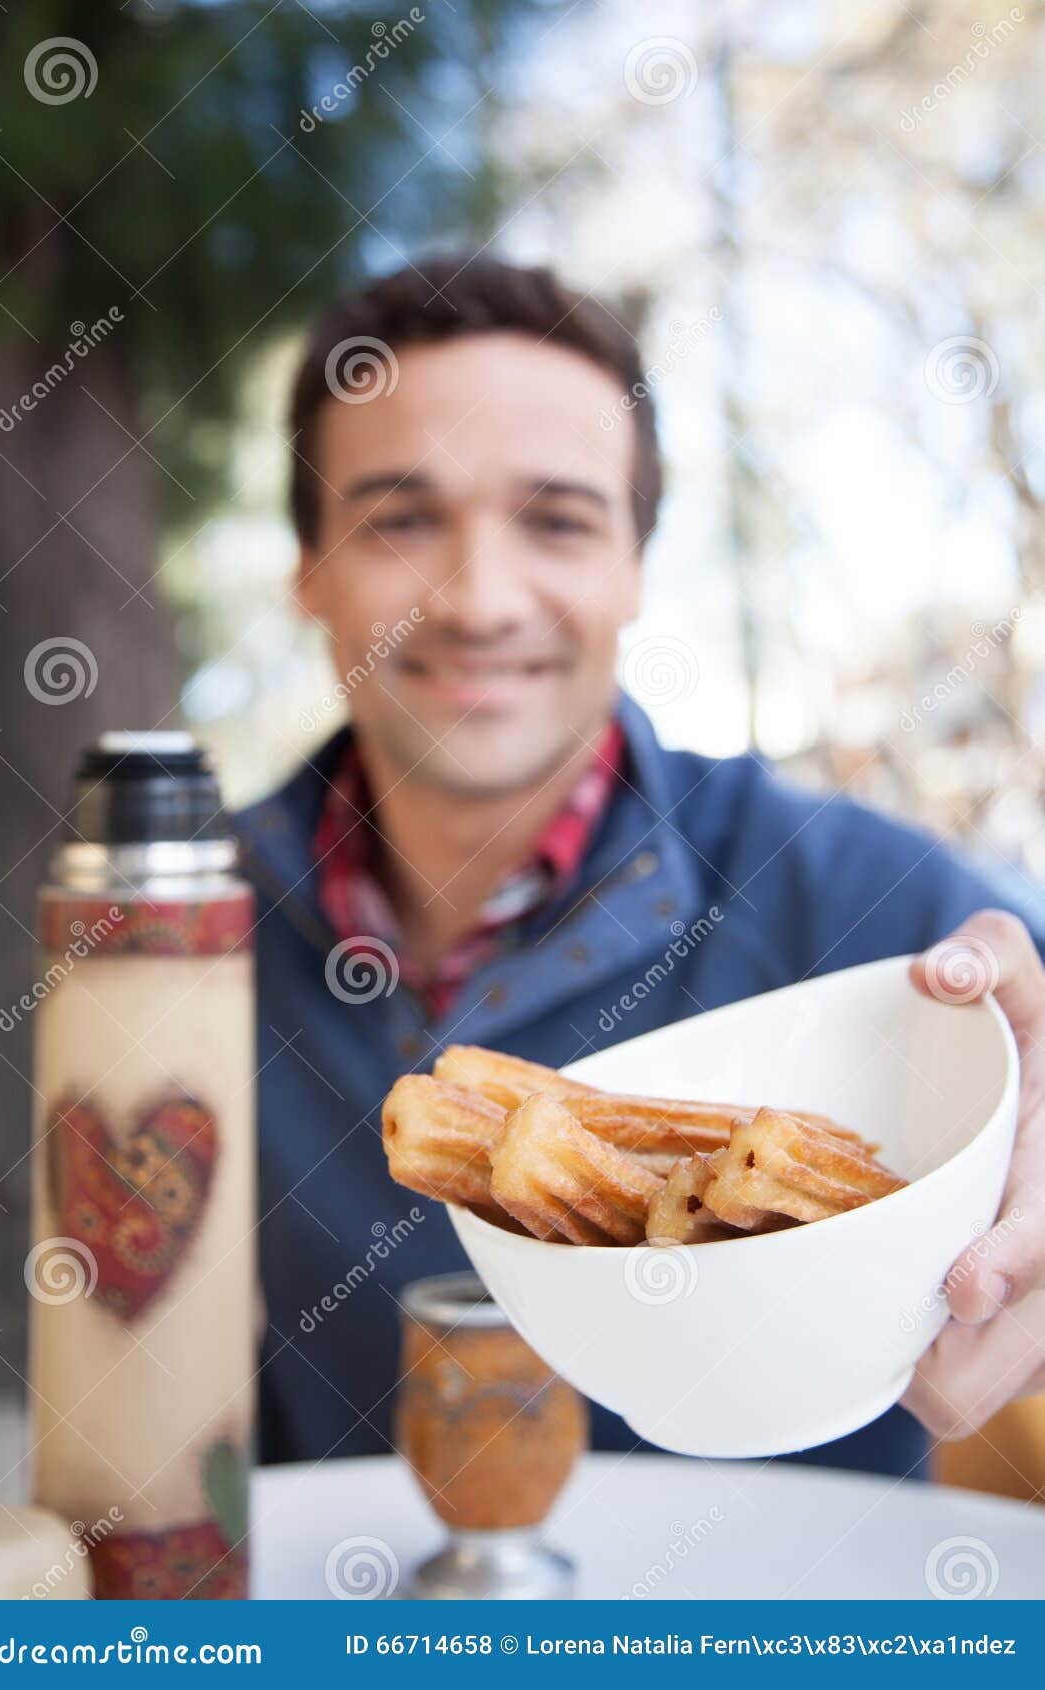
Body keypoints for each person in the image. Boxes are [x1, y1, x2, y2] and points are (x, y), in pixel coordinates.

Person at [238, 252, 1045, 1477]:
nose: (480, 597)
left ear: (634, 567)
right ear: (309, 570)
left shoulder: (873, 900)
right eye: (400, 518)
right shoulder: (174, 938)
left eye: (556, 520)